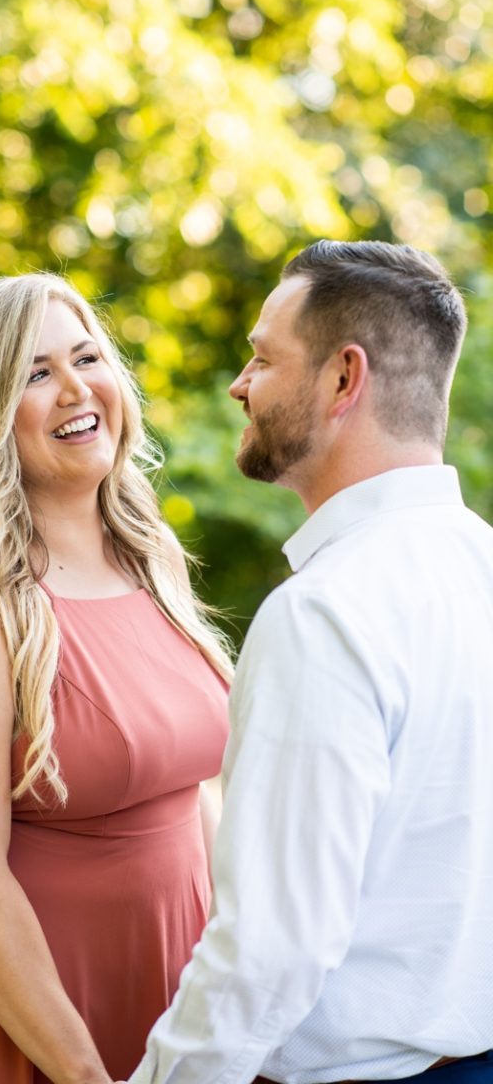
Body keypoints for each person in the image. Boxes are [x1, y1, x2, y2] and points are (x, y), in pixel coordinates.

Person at [126, 241, 493, 1084]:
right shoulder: (483, 565)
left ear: (341, 379)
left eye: (261, 358)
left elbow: (269, 951)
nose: (239, 384)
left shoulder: (324, 614)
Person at [0, 273, 233, 1084]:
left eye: (87, 358)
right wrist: (82, 1074)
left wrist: (233, 968)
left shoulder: (150, 554)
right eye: (35, 374)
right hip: (29, 1002)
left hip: (180, 970)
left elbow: (186, 790)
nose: (77, 389)